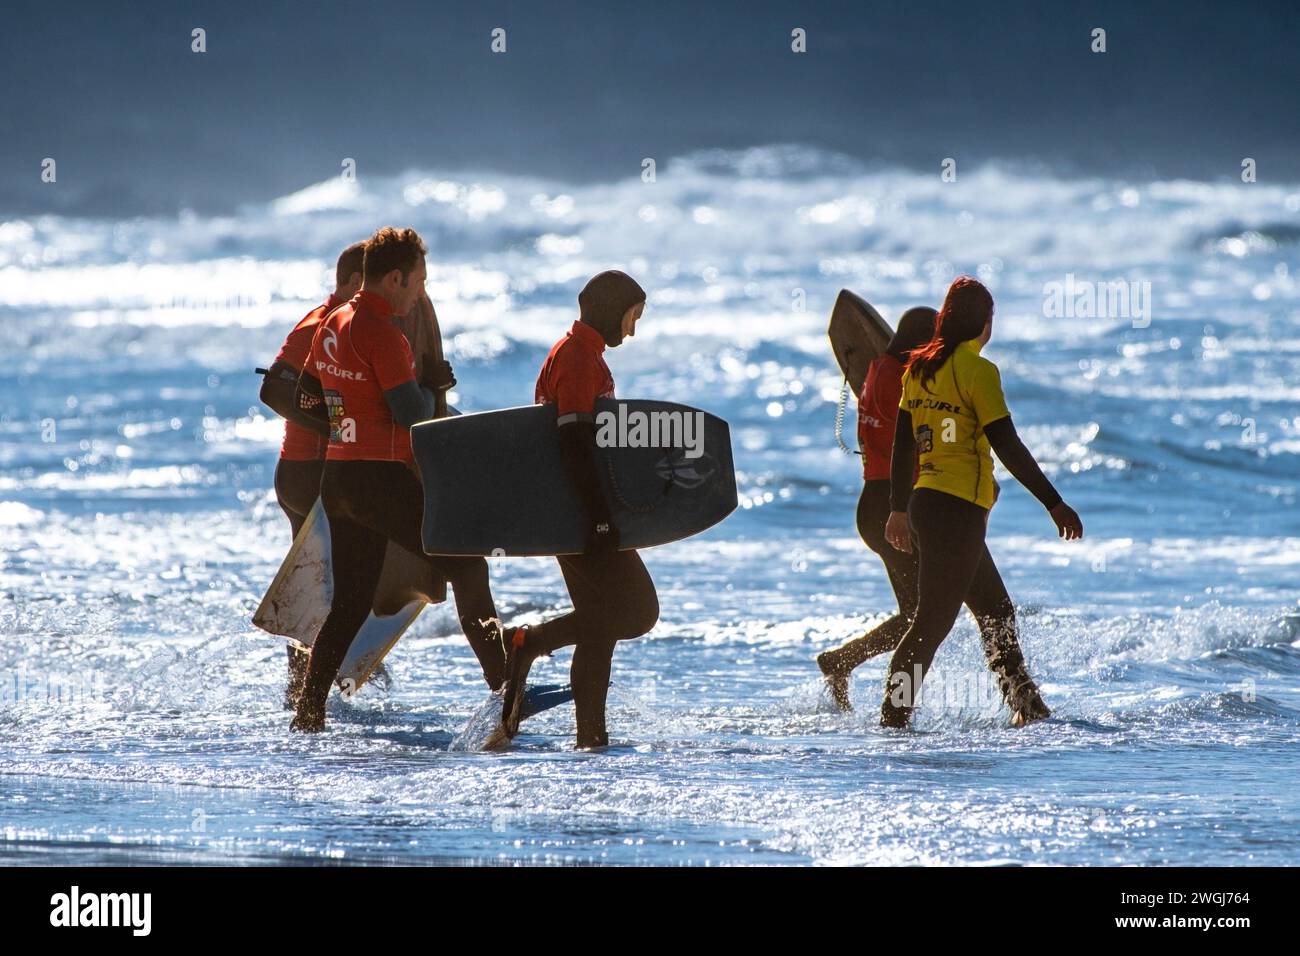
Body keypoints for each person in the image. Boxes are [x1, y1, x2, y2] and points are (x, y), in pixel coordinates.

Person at [289, 226, 503, 732]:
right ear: (394, 278)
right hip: (380, 481)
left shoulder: (334, 322)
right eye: (417, 282)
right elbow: (411, 414)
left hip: (338, 480)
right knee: (468, 566)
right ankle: (505, 689)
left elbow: (306, 396)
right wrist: (434, 386)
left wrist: (349, 421)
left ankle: (309, 713)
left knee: (351, 602)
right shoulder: (384, 332)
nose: (420, 293)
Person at [817, 306, 1054, 724]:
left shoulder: (876, 373)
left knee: (937, 614)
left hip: (879, 505)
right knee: (939, 618)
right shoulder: (902, 380)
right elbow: (919, 444)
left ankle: (847, 665)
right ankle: (893, 713)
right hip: (908, 504)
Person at [880, 276, 1083, 728]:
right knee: (931, 624)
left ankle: (1025, 707)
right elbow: (1007, 445)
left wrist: (897, 508)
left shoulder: (918, 370)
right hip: (957, 510)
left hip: (926, 504)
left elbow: (902, 446)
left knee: (995, 611)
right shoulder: (980, 373)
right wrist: (1054, 503)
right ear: (984, 324)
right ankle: (893, 717)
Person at [491, 271, 659, 750]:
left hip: (567, 510)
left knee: (599, 623)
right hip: (577, 513)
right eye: (631, 318)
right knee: (638, 611)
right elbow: (573, 443)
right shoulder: (580, 357)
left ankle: (591, 738)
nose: (632, 330)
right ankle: (530, 642)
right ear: (612, 311)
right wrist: (600, 516)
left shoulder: (577, 351)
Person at [258, 241, 364, 706]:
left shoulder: (354, 327)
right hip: (305, 474)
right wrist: (334, 429)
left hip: (322, 472)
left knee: (327, 585)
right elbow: (273, 390)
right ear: (348, 282)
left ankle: (310, 686)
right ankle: (302, 693)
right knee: (318, 589)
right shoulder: (319, 324)